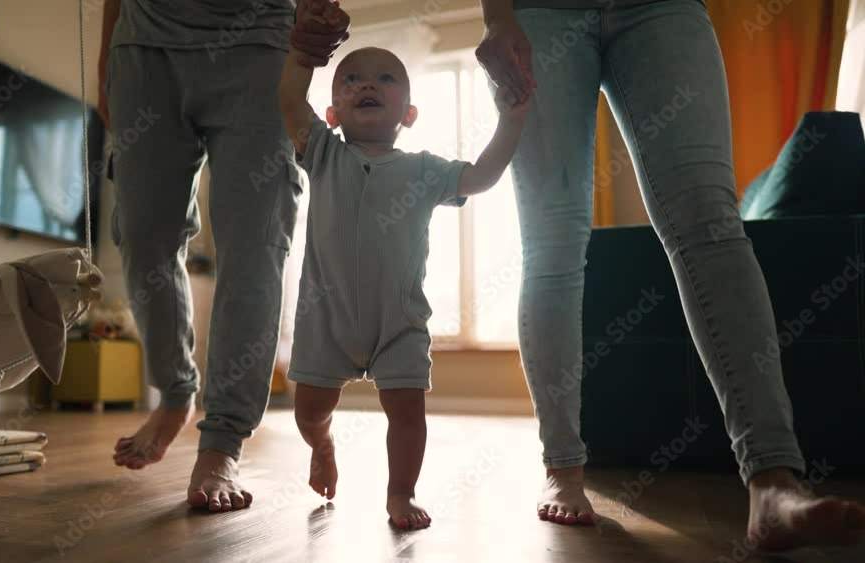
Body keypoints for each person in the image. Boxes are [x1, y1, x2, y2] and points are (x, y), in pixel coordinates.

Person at [475, 0, 865, 550]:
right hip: (539, 12)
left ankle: (773, 482)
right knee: (552, 242)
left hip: (661, 8)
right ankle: (562, 468)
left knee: (711, 224)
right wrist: (497, 16)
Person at [278, 6, 531, 528]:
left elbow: (482, 175)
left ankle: (401, 493)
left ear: (409, 113)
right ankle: (322, 447)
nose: (367, 84)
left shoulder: (423, 170)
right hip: (327, 321)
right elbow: (286, 98)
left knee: (408, 415)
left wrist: (512, 119)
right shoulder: (323, 153)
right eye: (351, 79)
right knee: (308, 411)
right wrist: (304, 55)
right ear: (331, 113)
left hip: (401, 323)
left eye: (385, 78)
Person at [98, 0, 348, 511]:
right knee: (143, 233)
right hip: (144, 44)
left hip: (258, 42)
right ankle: (174, 392)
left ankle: (222, 441)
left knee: (255, 245)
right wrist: (106, 58)